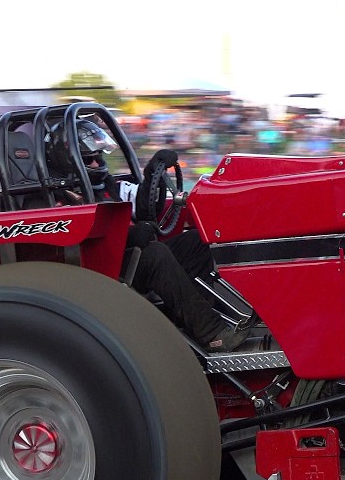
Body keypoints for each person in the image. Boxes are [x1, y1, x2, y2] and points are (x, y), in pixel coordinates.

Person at [45, 118, 254, 353]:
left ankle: (200, 319)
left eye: (98, 156)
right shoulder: (55, 201)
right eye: (88, 159)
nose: (97, 162)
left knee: (196, 242)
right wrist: (129, 237)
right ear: (68, 162)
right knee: (156, 254)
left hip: (129, 257)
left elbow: (145, 205)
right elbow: (77, 242)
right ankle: (211, 334)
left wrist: (153, 170)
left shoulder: (106, 185)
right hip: (101, 274)